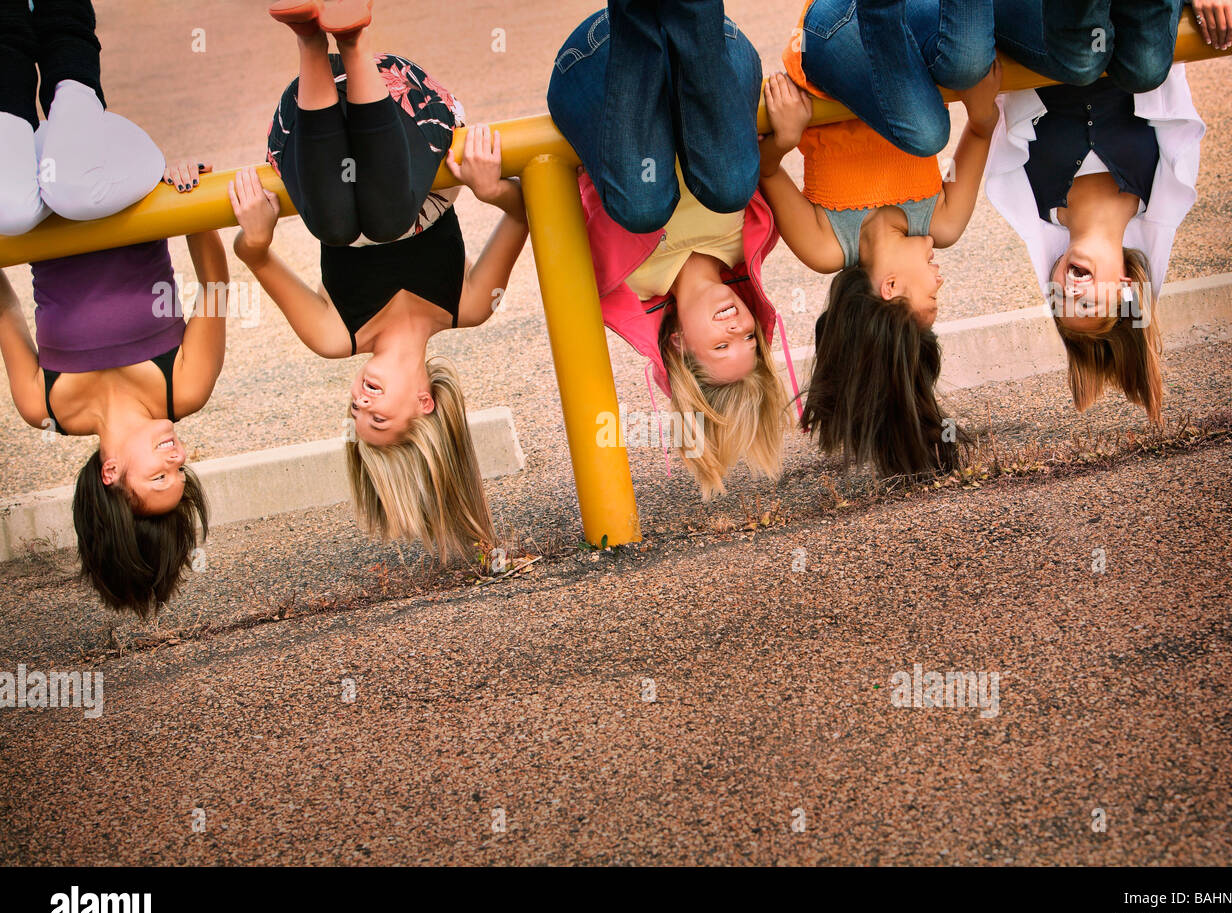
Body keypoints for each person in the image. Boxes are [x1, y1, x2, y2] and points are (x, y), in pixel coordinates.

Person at [232, 1, 529, 561]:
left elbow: (253, 255)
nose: (360, 402)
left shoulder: (332, 335)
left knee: (338, 226)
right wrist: (493, 191)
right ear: (424, 403)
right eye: (379, 416)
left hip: (311, 128)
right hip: (406, 111)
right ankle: (353, 40)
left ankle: (310, 40)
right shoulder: (468, 304)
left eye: (355, 415)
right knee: (381, 219)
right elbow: (523, 215)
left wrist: (258, 233)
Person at [0, 0, 227, 616]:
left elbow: (4, 308)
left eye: (160, 475)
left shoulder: (41, 403)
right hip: (110, 176)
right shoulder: (184, 386)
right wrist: (193, 202)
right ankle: (60, 16)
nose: (177, 457)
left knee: (9, 210)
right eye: (182, 472)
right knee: (70, 181)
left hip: (37, 195)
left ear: (111, 474)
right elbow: (213, 283)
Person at [547, 4, 792, 499]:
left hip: (605, 58)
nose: (737, 326)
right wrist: (785, 140)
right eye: (749, 338)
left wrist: (491, 192)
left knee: (643, 206)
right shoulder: (755, 237)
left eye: (722, 345)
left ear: (679, 346)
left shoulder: (623, 280)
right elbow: (742, 147)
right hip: (704, 47)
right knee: (726, 186)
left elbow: (550, 206)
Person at [761, 0, 1001, 476]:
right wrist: (984, 112)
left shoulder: (827, 244)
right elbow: (980, 129)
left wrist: (784, 140)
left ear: (889, 288)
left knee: (927, 131)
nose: (940, 280)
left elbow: (766, 171)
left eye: (931, 294)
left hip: (836, 35)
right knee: (968, 61)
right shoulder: (942, 220)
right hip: (906, 39)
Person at [987, 0, 1212, 421]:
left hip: (1039, 21)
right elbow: (1169, 79)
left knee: (1084, 60)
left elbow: (997, 104)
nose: (1071, 292)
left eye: (1060, 300)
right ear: (1127, 288)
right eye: (1088, 304)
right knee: (1146, 66)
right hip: (1123, 27)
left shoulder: (1028, 193)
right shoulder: (1160, 183)